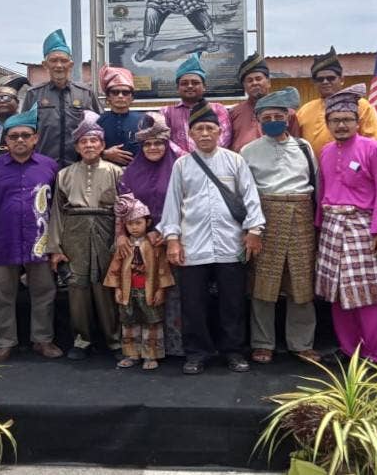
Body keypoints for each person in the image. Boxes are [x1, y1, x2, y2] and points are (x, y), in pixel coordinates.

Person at [159, 99, 265, 375]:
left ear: (219, 132)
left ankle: (234, 351)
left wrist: (254, 231)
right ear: (191, 134)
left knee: (233, 303)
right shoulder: (182, 166)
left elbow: (250, 198)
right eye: (199, 129)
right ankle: (197, 353)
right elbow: (173, 203)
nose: (205, 134)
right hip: (193, 245)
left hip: (231, 244)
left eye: (210, 128)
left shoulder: (235, 161)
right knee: (193, 304)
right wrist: (172, 239)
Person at [314, 84, 377, 366]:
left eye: (347, 120)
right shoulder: (325, 151)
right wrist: (319, 226)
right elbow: (321, 190)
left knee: (368, 293)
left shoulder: (374, 150)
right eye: (335, 120)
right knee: (337, 291)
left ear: (358, 122)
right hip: (331, 227)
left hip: (362, 227)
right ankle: (350, 349)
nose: (341, 125)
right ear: (327, 123)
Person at [0, 105, 64, 362]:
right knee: (3, 295)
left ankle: (43, 340)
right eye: (14, 136)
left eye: (25, 135)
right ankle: (4, 342)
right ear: (6, 141)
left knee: (44, 293)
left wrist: (57, 244)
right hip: (4, 241)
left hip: (41, 241)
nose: (20, 140)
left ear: (35, 138)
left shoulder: (49, 167)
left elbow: (58, 208)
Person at [240, 87, 320, 364]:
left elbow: (317, 183)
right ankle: (263, 343)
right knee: (263, 282)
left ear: (288, 119)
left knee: (302, 281)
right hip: (266, 216)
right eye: (266, 116)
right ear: (259, 121)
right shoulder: (247, 151)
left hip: (301, 215)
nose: (272, 120)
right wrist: (252, 227)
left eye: (278, 115)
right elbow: (245, 193)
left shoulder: (303, 147)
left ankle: (301, 343)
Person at [48, 113, 124, 360]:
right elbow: (57, 213)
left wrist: (122, 239)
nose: (89, 146)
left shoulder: (117, 172)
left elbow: (125, 209)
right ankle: (82, 340)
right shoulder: (64, 174)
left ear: (102, 145)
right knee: (77, 287)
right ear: (77, 146)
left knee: (106, 285)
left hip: (107, 230)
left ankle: (114, 340)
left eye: (94, 141)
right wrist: (56, 247)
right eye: (84, 142)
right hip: (74, 231)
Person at [118, 112, 185, 356]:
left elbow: (188, 203)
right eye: (148, 143)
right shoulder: (131, 172)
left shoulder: (180, 167)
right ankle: (148, 349)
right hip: (141, 244)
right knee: (145, 295)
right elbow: (123, 207)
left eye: (159, 143)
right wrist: (126, 235)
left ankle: (177, 347)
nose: (153, 147)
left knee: (173, 293)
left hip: (174, 241)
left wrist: (166, 231)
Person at [104, 193, 175, 371]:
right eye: (130, 224)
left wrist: (161, 289)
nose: (134, 228)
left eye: (138, 223)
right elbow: (115, 268)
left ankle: (151, 355)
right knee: (129, 322)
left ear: (147, 223)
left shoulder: (155, 245)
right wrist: (117, 288)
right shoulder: (123, 245)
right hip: (129, 290)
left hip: (149, 290)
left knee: (151, 322)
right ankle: (131, 353)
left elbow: (163, 268)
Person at [21, 29, 101, 167]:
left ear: (70, 65)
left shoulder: (85, 93)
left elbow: (100, 127)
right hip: (42, 167)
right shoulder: (33, 94)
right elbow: (25, 130)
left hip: (79, 167)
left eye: (63, 61)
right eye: (53, 61)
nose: (59, 65)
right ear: (45, 65)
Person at [296, 47, 377, 156]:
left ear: (341, 80)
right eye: (320, 79)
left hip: (354, 169)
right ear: (314, 83)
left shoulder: (360, 105)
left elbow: (372, 143)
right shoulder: (305, 110)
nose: (325, 82)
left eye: (330, 78)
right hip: (314, 171)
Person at [162, 53, 232, 154]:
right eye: (184, 83)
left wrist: (204, 155)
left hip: (213, 163)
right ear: (177, 88)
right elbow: (163, 139)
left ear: (204, 86)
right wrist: (186, 158)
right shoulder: (166, 112)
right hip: (179, 165)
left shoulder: (218, 109)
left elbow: (224, 137)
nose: (190, 86)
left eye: (195, 83)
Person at [229, 52, 300, 152]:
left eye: (258, 79)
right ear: (244, 86)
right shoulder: (234, 113)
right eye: (249, 80)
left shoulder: (287, 113)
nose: (254, 83)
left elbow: (296, 146)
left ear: (268, 82)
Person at [98, 65, 144, 166]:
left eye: (125, 92)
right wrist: (104, 154)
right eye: (115, 92)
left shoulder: (143, 121)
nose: (120, 96)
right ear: (108, 97)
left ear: (132, 98)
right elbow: (86, 150)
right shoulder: (98, 122)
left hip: (137, 174)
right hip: (106, 174)